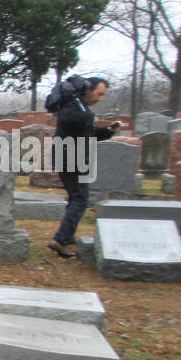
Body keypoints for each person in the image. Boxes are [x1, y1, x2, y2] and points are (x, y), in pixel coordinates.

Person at [48, 76, 121, 259]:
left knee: (75, 198)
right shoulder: (73, 104)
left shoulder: (80, 106)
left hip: (70, 156)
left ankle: (67, 233)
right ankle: (60, 239)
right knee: (80, 199)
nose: (100, 98)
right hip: (71, 157)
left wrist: (108, 131)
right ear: (88, 89)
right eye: (99, 94)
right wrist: (89, 116)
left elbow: (87, 132)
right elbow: (66, 118)